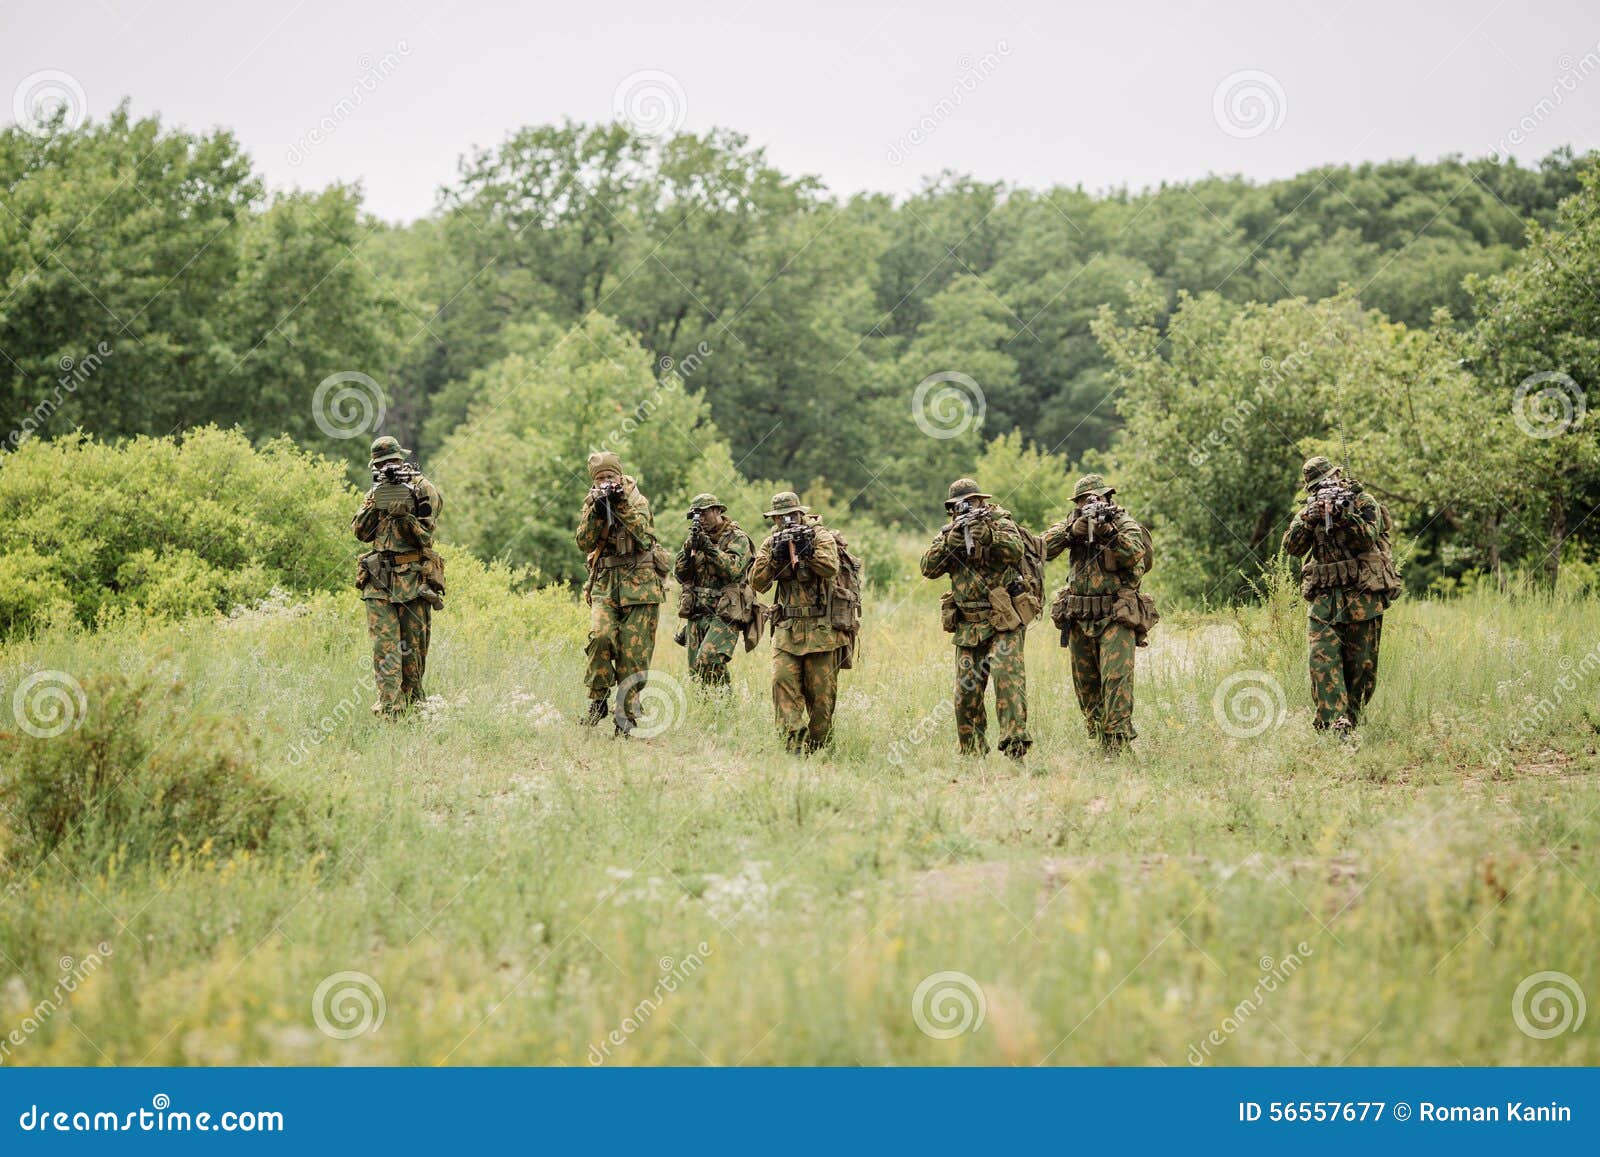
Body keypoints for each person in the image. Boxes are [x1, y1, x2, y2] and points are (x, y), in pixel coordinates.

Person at [1281, 456, 1401, 737]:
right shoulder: (1310, 511)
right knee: (1322, 661)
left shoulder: (1363, 503)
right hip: (1324, 602)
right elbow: (1292, 548)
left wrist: (1344, 514)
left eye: (1327, 483)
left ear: (1338, 476)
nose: (1323, 490)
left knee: (1362, 669)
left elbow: (1367, 539)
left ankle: (1352, 717)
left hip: (1363, 600)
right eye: (1316, 488)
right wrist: (1309, 520)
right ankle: (1335, 723)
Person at [920, 478, 1034, 759]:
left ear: (982, 501)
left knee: (1007, 680)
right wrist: (949, 544)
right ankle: (972, 753)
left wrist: (988, 537)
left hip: (1003, 619)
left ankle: (1015, 747)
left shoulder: (1000, 522)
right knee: (965, 694)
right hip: (969, 624)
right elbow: (927, 568)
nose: (966, 508)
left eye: (972, 502)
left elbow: (1016, 549)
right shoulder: (949, 532)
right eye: (960, 505)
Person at [1042, 473, 1155, 755]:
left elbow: (1135, 554)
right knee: (1086, 683)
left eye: (1096, 498)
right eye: (1083, 500)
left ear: (1107, 498)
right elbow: (1041, 549)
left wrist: (1109, 534)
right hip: (1080, 616)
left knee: (1116, 680)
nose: (1090, 503)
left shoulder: (1124, 524)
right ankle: (1100, 738)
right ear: (1077, 504)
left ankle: (1117, 744)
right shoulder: (1073, 523)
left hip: (1115, 616)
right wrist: (1071, 532)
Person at [576, 450, 668, 736]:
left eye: (609, 477)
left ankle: (625, 716)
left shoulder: (637, 500)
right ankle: (598, 700)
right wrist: (596, 509)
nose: (605, 482)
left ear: (619, 475)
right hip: (605, 583)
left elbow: (644, 535)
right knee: (600, 637)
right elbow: (583, 542)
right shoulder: (592, 502)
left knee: (634, 655)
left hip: (640, 586)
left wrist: (619, 504)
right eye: (600, 478)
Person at [750, 492, 851, 753]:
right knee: (781, 683)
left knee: (821, 700)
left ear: (800, 514)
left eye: (791, 516)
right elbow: (757, 583)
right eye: (779, 519)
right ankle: (793, 747)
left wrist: (806, 552)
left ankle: (818, 750)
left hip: (821, 631)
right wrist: (775, 557)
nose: (786, 522)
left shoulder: (820, 536)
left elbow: (830, 567)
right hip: (787, 630)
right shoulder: (771, 542)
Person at [352, 435, 444, 717]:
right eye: (382, 465)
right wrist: (375, 505)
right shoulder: (376, 491)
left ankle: (414, 708)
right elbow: (360, 532)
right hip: (379, 580)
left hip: (413, 581)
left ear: (403, 461)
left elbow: (426, 537)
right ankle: (390, 710)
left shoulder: (423, 489)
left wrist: (406, 516)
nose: (388, 468)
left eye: (392, 463)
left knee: (412, 650)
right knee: (385, 648)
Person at [673, 493, 756, 686]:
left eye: (704, 513)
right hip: (698, 611)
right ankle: (713, 710)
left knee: (709, 658)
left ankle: (724, 702)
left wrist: (708, 548)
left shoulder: (737, 538)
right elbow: (680, 575)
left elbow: (734, 571)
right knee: (696, 672)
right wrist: (688, 549)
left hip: (725, 612)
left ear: (718, 511)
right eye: (696, 515)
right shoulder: (696, 538)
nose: (700, 519)